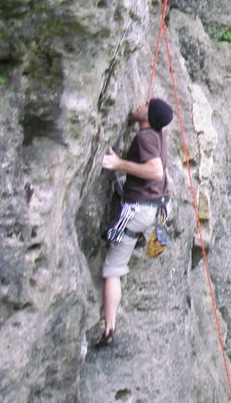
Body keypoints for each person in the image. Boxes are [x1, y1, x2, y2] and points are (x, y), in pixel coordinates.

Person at [97, 98, 173, 346]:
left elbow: (155, 172)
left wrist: (119, 163)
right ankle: (136, 234)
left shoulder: (144, 138)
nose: (140, 103)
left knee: (112, 269)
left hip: (139, 210)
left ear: (149, 116)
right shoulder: (158, 135)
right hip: (159, 206)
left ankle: (109, 329)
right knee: (120, 186)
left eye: (145, 104)